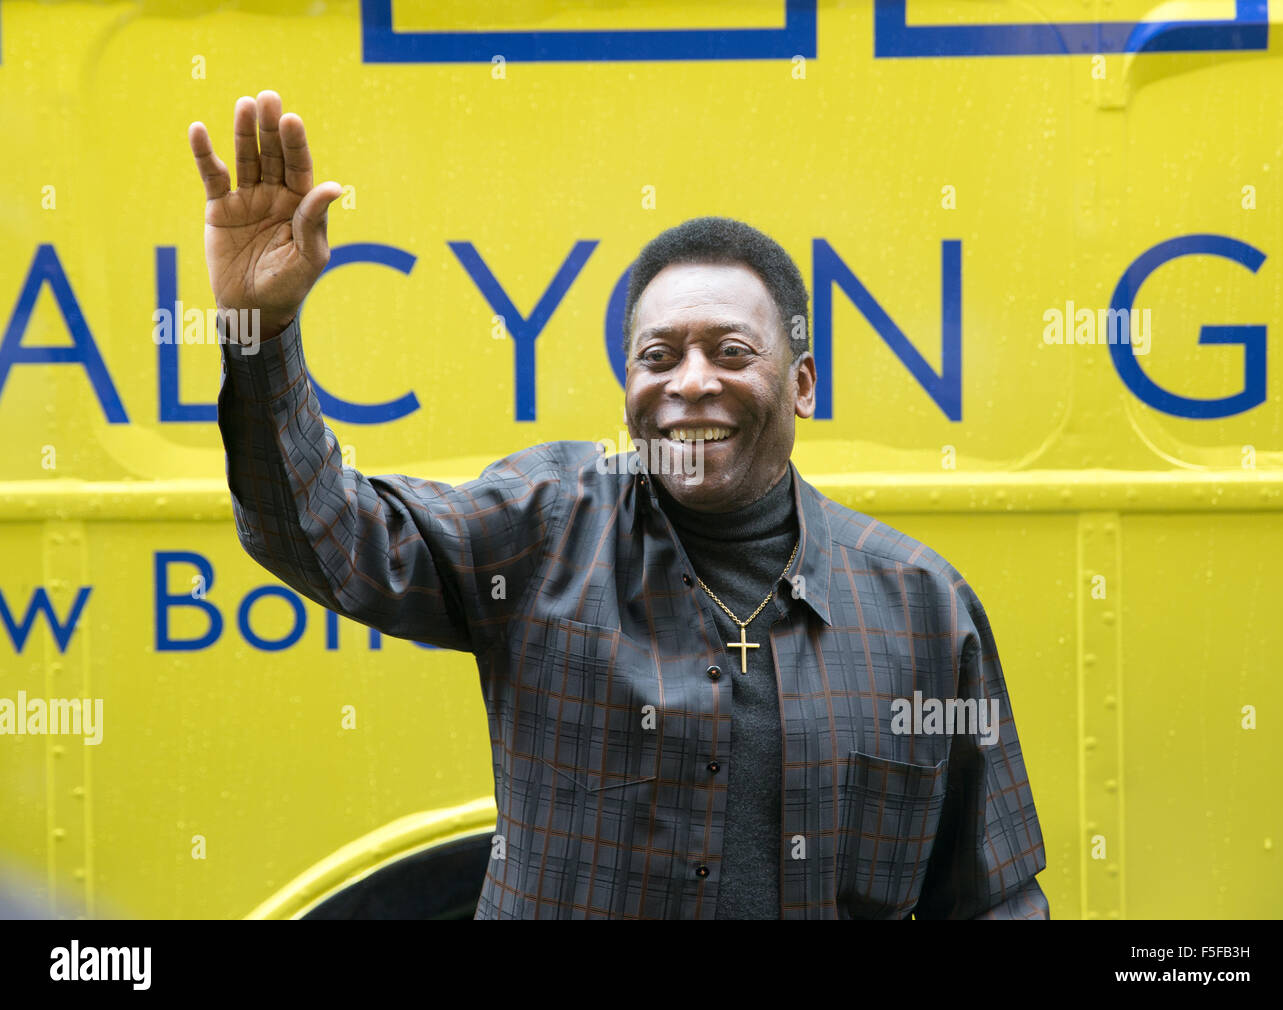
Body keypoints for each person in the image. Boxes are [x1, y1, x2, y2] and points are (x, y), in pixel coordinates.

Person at [189, 90, 1049, 919]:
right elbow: (325, 532)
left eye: (731, 351)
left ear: (803, 385)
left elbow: (991, 899)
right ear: (630, 388)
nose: (691, 382)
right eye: (659, 356)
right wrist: (257, 334)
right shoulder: (546, 530)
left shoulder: (922, 610)